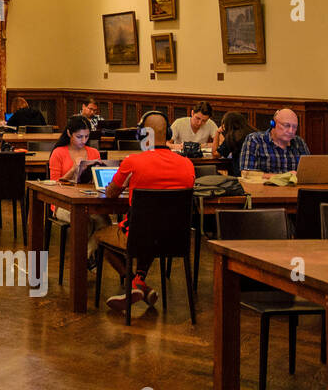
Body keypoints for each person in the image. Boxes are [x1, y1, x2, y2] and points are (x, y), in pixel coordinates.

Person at [99, 111, 196, 310]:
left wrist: (124, 183)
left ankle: (132, 282)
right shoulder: (187, 164)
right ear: (168, 134)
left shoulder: (133, 162)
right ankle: (140, 282)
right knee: (154, 229)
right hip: (176, 238)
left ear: (144, 134)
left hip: (140, 234)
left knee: (102, 238)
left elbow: (110, 194)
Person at [48, 116, 109, 268]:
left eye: (87, 136)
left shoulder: (93, 152)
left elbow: (97, 182)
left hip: (87, 200)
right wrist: (73, 170)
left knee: (106, 223)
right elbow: (53, 184)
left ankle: (84, 257)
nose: (83, 140)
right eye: (79, 136)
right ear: (69, 133)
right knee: (84, 221)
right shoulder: (58, 152)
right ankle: (83, 262)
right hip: (62, 203)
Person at [238, 108, 310, 174]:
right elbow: (247, 173)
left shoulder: (299, 142)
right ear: (273, 124)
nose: (291, 131)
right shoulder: (255, 140)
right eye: (286, 125)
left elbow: (309, 172)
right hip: (263, 187)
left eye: (294, 127)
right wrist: (283, 176)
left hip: (295, 187)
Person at [212, 111, 255, 176]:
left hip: (240, 174)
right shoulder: (254, 133)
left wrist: (217, 132)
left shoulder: (232, 136)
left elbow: (215, 154)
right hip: (258, 172)